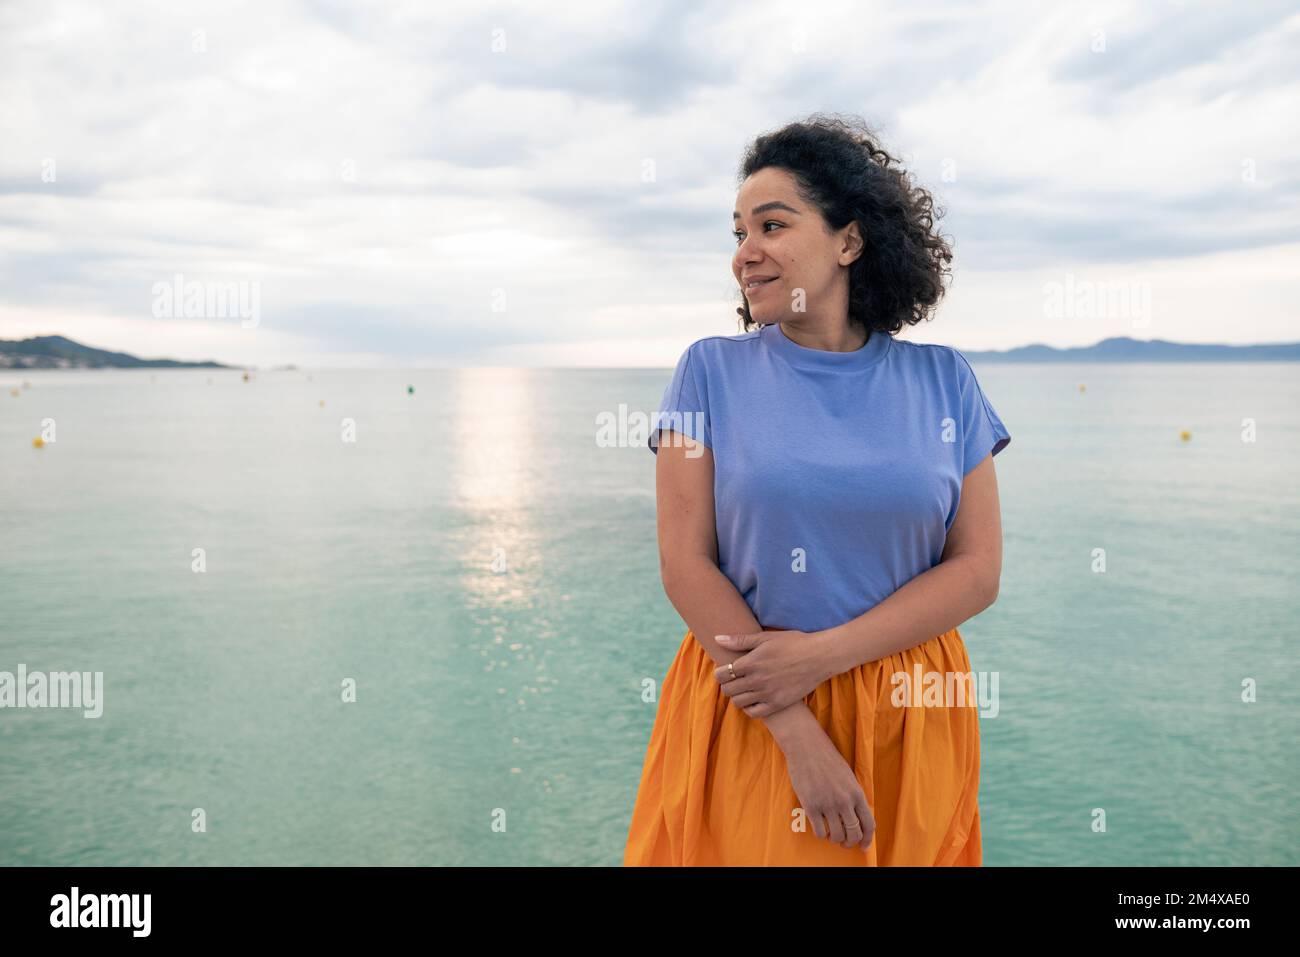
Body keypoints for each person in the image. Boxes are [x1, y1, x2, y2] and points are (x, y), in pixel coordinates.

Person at [623, 114, 1011, 866]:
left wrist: (824, 655)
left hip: (912, 713)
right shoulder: (709, 371)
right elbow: (685, 565)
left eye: (772, 224)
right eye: (737, 233)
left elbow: (977, 571)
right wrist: (797, 728)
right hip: (756, 705)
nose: (746, 253)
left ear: (849, 241)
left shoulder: (944, 380)